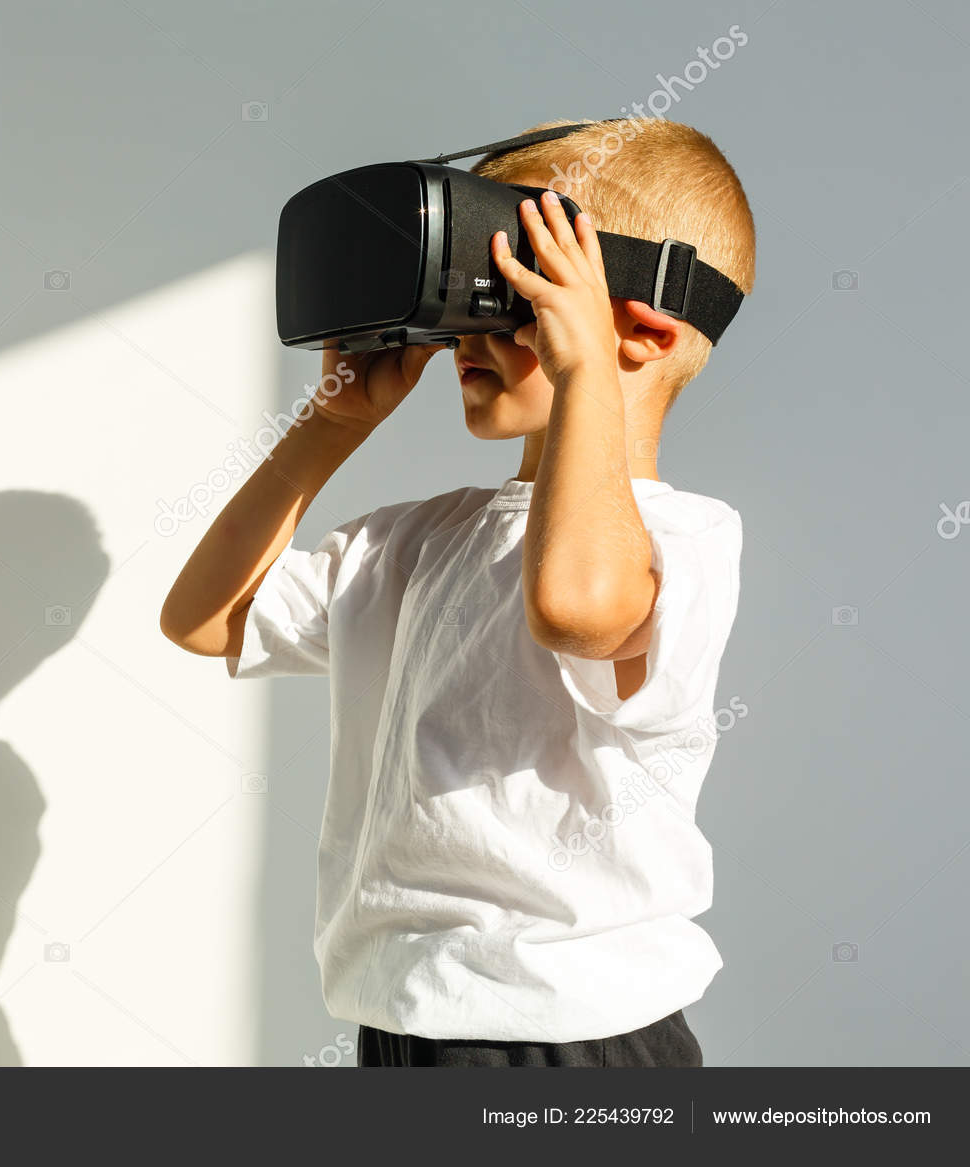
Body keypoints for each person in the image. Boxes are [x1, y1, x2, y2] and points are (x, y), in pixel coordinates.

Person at [160, 119, 754, 1067]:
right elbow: (201, 620)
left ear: (640, 331)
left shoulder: (683, 539)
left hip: (572, 1030)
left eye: (519, 287)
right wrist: (331, 425)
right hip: (406, 1018)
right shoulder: (413, 539)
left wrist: (582, 369)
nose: (471, 332)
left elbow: (573, 606)